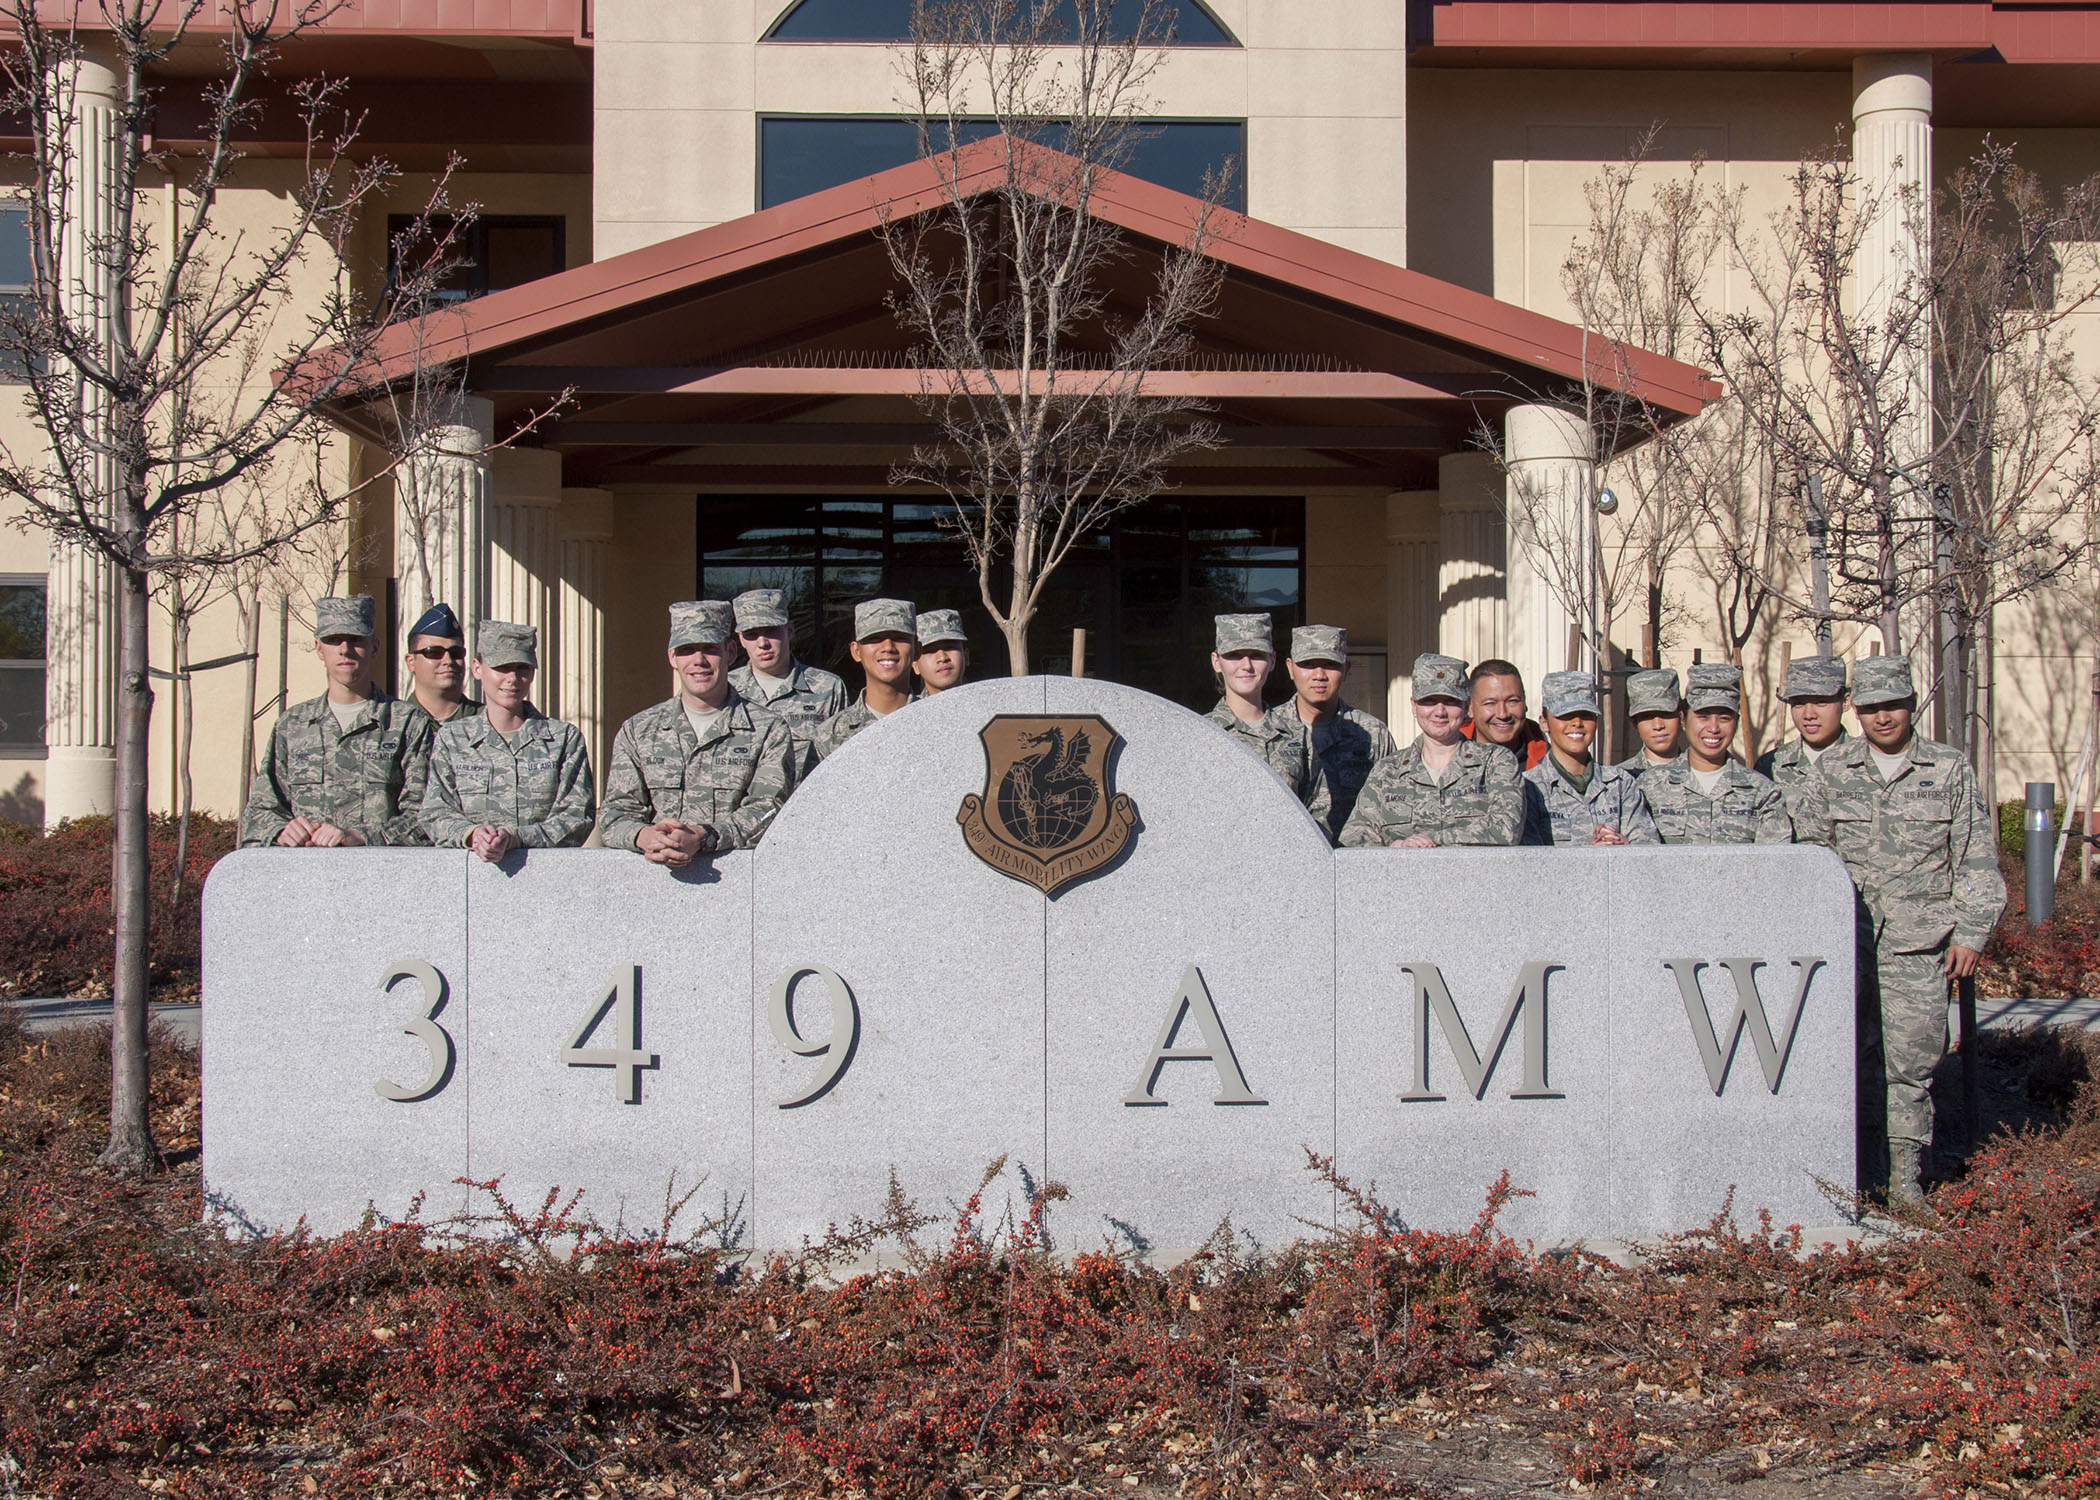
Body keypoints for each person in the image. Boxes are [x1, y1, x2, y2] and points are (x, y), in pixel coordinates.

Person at [1792, 655, 2005, 1205]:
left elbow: (1976, 859)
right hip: (1847, 946)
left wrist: (1971, 933)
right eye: (1871, 708)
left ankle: (1907, 1183)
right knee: (1847, 1061)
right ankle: (1858, 1175)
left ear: (1912, 705)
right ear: (1856, 711)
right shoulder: (1834, 772)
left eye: (1893, 706)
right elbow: (1812, 858)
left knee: (1910, 1066)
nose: (1883, 718)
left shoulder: (1948, 769)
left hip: (1918, 945)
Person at [598, 600, 795, 864]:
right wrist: (644, 836)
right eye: (687, 650)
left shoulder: (768, 730)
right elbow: (615, 813)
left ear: (730, 652)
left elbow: (769, 810)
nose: (698, 661)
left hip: (735, 880)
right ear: (672, 658)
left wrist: (704, 837)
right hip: (652, 881)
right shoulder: (638, 731)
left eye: (709, 649)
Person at [238, 594, 434, 848]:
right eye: (333, 640)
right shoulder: (293, 726)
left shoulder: (408, 724)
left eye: (355, 640)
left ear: (374, 646)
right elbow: (259, 812)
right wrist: (280, 831)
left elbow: (426, 817)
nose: (344, 649)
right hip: (306, 877)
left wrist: (362, 836)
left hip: (380, 876)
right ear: (319, 648)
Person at [420, 621, 596, 859]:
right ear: (477, 668)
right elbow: (435, 813)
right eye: (501, 667)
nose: (512, 678)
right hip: (471, 879)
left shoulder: (563, 739)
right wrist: (472, 835)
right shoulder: (453, 739)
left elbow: (577, 818)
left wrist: (516, 838)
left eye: (522, 668)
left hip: (545, 876)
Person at [1339, 653, 1523, 848]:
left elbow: (1507, 830)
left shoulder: (1495, 762)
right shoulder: (1388, 771)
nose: (1440, 711)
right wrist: (1398, 847)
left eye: (1451, 701)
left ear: (1466, 706)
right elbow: (1353, 838)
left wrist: (1432, 841)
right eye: (1429, 701)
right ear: (1414, 706)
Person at [1637, 663, 1793, 845]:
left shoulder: (1762, 793)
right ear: (1683, 720)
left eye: (1724, 718)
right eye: (1703, 717)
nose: (1713, 728)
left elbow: (1774, 863)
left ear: (1737, 722)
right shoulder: (1648, 787)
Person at [1269, 624, 1394, 839]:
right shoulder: (1268, 730)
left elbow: (1391, 806)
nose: (1319, 675)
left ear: (1346, 669)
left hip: (1351, 862)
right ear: (1290, 668)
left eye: (1330, 664)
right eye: (1308, 664)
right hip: (1283, 860)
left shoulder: (1373, 734)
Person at [1206, 613, 1329, 826]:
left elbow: (1318, 810)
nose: (1246, 665)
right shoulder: (1203, 734)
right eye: (1234, 655)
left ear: (1272, 660)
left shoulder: (1298, 735)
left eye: (1256, 655)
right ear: (1217, 662)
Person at [1520, 671, 1659, 846]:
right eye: (1566, 715)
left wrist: (1624, 845)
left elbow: (1649, 850)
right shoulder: (1529, 789)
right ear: (1544, 722)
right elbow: (1529, 862)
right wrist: (1589, 857)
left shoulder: (1620, 784)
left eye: (1586, 715)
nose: (1577, 722)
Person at [729, 588, 847, 778]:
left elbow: (839, 759)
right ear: (741, 640)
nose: (762, 643)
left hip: (803, 804)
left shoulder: (826, 687)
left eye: (771, 631)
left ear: (790, 630)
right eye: (751, 634)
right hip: (744, 806)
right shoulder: (726, 689)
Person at [813, 598, 921, 759]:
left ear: (917, 650)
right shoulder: (830, 735)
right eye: (874, 639)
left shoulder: (936, 721)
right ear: (856, 651)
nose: (888, 647)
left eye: (899, 638)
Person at [1755, 654, 1851, 828]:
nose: (1809, 715)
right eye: (1798, 704)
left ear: (1845, 702)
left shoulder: (1863, 765)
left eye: (1821, 702)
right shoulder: (1770, 767)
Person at [401, 602, 481, 726]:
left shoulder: (488, 722)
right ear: (411, 662)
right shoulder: (390, 724)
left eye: (456, 653)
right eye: (434, 652)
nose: (448, 661)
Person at [1463, 659, 1549, 770]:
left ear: (1525, 703)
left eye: (1512, 701)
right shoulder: (1446, 760)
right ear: (1470, 708)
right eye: (1490, 703)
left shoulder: (1548, 763)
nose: (1502, 714)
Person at [1615, 667, 1685, 775]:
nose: (1658, 726)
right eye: (1647, 716)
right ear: (1635, 723)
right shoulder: (1620, 779)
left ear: (1681, 717)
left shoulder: (1702, 773)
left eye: (1666, 714)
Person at [912, 609, 970, 696]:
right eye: (931, 651)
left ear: (966, 656)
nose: (942, 658)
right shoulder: (910, 709)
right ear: (915, 666)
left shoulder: (989, 704)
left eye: (949, 648)